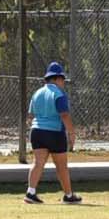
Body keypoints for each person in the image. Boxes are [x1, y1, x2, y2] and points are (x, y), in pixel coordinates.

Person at [24, 62, 80, 205]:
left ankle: (31, 192)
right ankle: (68, 195)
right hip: (54, 132)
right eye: (62, 79)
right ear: (55, 79)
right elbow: (64, 115)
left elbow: (31, 114)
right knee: (61, 165)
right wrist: (71, 133)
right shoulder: (58, 94)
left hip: (36, 131)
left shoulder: (37, 93)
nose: (63, 82)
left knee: (38, 163)